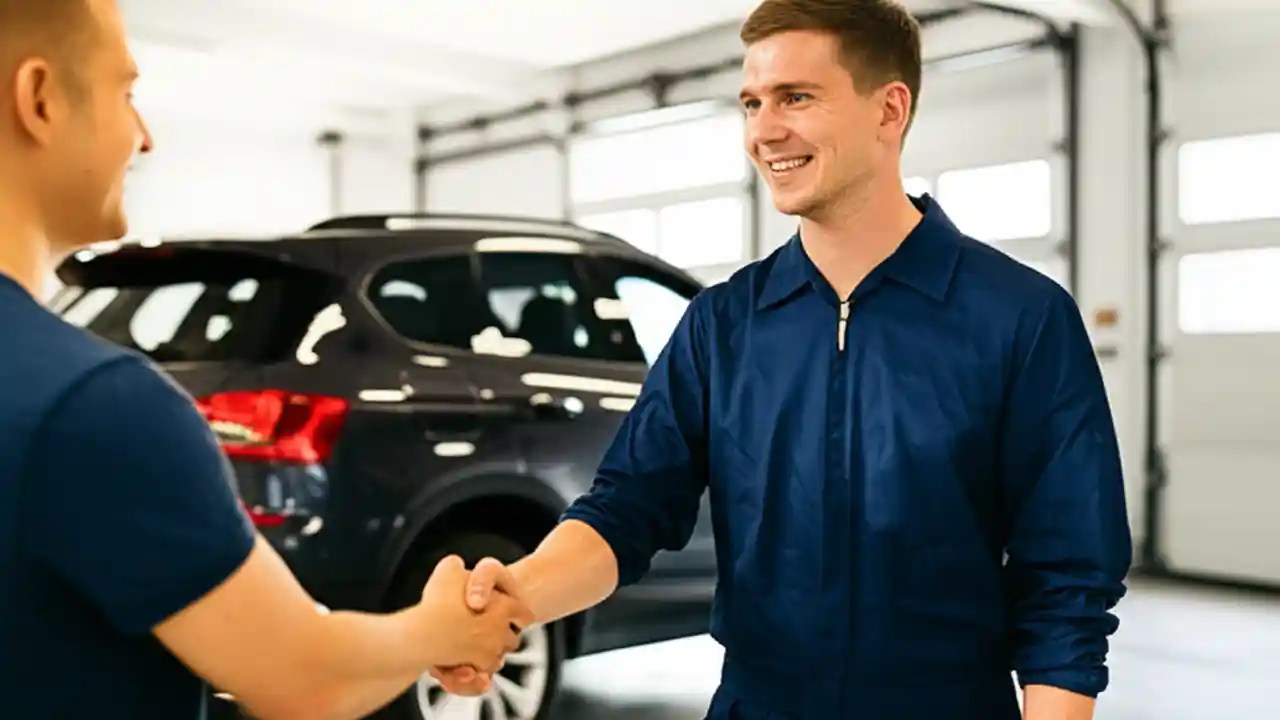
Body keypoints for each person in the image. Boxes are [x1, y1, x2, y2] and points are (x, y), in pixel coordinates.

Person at [436, 0, 1133, 718]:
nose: (764, 131)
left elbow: (1067, 585)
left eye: (796, 98)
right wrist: (515, 600)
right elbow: (626, 509)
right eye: (751, 103)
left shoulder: (1020, 318)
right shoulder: (724, 323)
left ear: (889, 110)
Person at [0, 1, 532, 718]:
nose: (145, 137)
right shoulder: (95, 406)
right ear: (39, 100)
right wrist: (440, 626)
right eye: (126, 94)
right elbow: (308, 679)